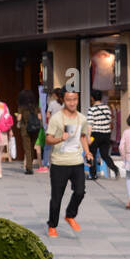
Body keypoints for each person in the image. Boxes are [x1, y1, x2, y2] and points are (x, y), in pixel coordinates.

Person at [44, 88, 93, 236]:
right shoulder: (56, 118)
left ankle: (70, 215)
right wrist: (60, 138)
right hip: (59, 163)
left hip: (76, 161)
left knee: (80, 192)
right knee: (57, 197)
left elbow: (83, 136)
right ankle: (52, 225)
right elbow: (48, 139)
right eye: (68, 100)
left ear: (78, 100)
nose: (72, 103)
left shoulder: (82, 118)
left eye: (74, 99)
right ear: (63, 100)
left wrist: (88, 152)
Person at [86, 89, 118, 180]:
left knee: (92, 154)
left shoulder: (92, 109)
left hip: (95, 134)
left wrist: (88, 136)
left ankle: (93, 174)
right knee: (105, 155)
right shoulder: (107, 108)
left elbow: (90, 124)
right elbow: (109, 121)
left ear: (92, 98)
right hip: (106, 134)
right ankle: (115, 169)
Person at [16, 88, 41, 174]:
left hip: (25, 128)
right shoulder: (36, 106)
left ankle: (29, 168)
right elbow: (40, 117)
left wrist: (18, 122)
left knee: (27, 148)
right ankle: (29, 166)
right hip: (35, 129)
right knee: (31, 147)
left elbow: (19, 117)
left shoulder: (21, 107)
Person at [40, 87, 64, 172]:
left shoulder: (52, 103)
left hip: (53, 127)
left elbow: (48, 115)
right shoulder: (64, 104)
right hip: (62, 127)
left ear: (55, 95)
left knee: (48, 147)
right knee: (60, 146)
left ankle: (46, 165)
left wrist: (46, 124)